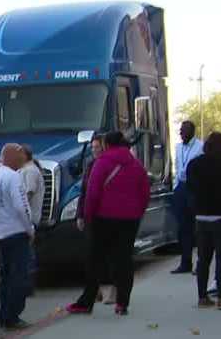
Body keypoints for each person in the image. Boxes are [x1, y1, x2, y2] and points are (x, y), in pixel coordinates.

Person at [67, 131, 150, 316]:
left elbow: (93, 192)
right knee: (124, 260)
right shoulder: (136, 165)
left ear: (106, 144)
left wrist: (88, 216)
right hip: (129, 219)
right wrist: (138, 213)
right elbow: (145, 192)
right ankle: (122, 303)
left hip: (103, 218)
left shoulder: (102, 162)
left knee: (94, 260)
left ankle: (86, 302)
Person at [188, 132, 221, 310]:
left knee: (203, 259)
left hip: (201, 217)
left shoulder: (194, 164)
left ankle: (202, 297)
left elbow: (190, 188)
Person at [0, 143, 34, 330]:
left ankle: (4, 315)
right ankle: (13, 316)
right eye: (20, 154)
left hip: (1, 233)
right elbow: (21, 206)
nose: (23, 157)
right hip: (17, 233)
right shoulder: (14, 178)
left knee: (6, 277)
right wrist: (29, 228)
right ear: (12, 157)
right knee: (19, 276)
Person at [76, 135, 117, 305]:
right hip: (91, 215)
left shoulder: (110, 166)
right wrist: (80, 215)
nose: (94, 151)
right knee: (91, 254)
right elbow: (84, 192)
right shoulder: (90, 166)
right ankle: (96, 289)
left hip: (106, 215)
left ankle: (110, 290)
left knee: (107, 254)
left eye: (97, 147)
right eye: (92, 148)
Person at [171, 121, 204, 274]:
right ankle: (185, 263)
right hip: (181, 189)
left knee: (197, 228)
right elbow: (177, 167)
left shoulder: (200, 146)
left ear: (192, 131)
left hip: (195, 189)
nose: (181, 133)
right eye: (180, 130)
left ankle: (200, 263)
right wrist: (176, 185)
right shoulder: (178, 147)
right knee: (183, 228)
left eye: (184, 131)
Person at [19, 145, 44, 295]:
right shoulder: (27, 170)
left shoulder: (30, 171)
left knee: (27, 253)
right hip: (27, 217)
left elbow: (28, 193)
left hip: (29, 218)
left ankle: (28, 286)